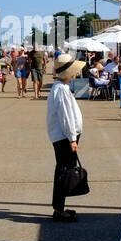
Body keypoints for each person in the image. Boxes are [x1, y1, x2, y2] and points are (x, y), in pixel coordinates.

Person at [47, 53, 86, 221]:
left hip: (63, 136)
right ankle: (59, 209)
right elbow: (66, 117)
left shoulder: (60, 88)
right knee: (63, 171)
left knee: (62, 170)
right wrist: (72, 138)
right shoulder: (61, 90)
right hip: (64, 137)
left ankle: (59, 207)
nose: (76, 74)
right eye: (74, 71)